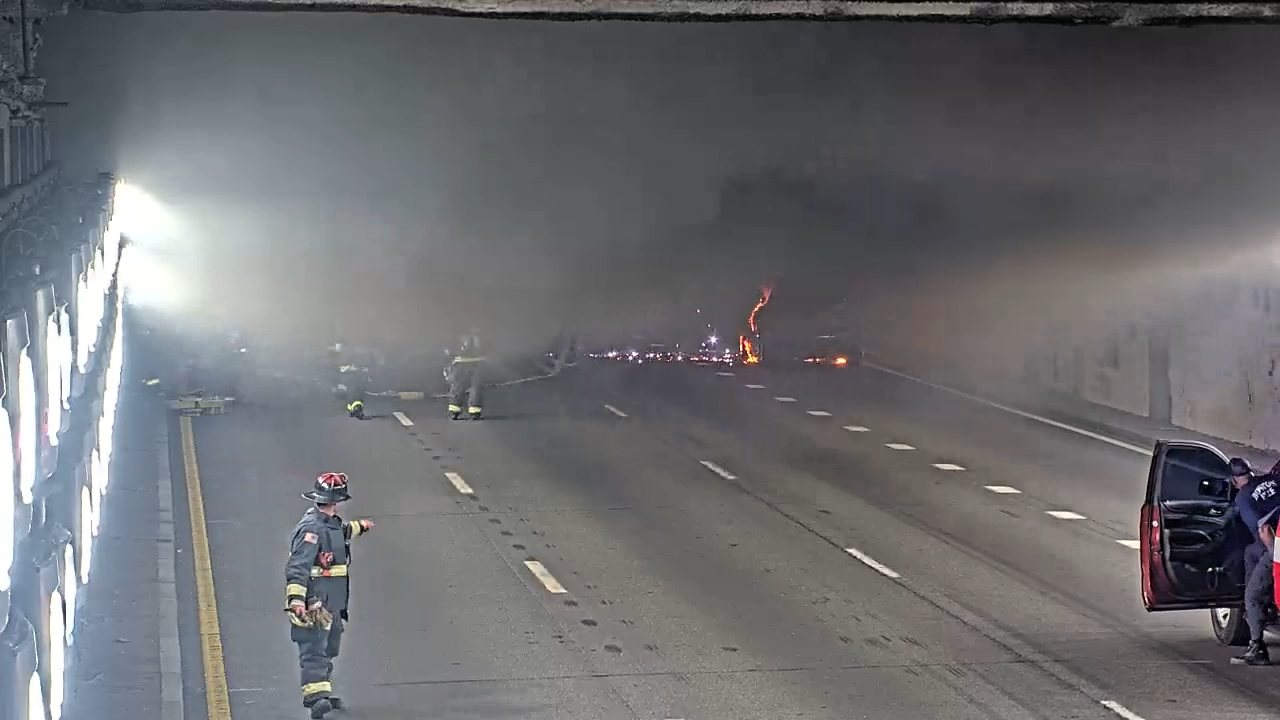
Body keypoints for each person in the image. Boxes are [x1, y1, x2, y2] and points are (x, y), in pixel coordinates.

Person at [284, 472, 375, 717]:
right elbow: (297, 568)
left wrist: (359, 527)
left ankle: (322, 689)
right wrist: (297, 601)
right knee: (314, 649)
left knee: (329, 647)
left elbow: (339, 534)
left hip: (331, 602)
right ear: (336, 501)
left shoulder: (329, 522)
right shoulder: (311, 529)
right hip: (314, 603)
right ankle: (316, 699)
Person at [1228, 456, 1280, 665]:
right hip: (1276, 537)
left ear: (1233, 480)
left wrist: (1275, 560)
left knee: (1251, 596)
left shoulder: (1243, 498)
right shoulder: (1271, 480)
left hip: (1276, 543)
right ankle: (1263, 607)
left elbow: (1263, 529)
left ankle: (1257, 648)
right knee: (1250, 552)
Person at [447, 330, 485, 420]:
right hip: (475, 364)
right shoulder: (477, 336)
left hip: (460, 364)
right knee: (475, 388)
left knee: (457, 387)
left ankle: (455, 411)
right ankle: (475, 412)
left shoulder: (456, 335)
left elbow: (449, 351)